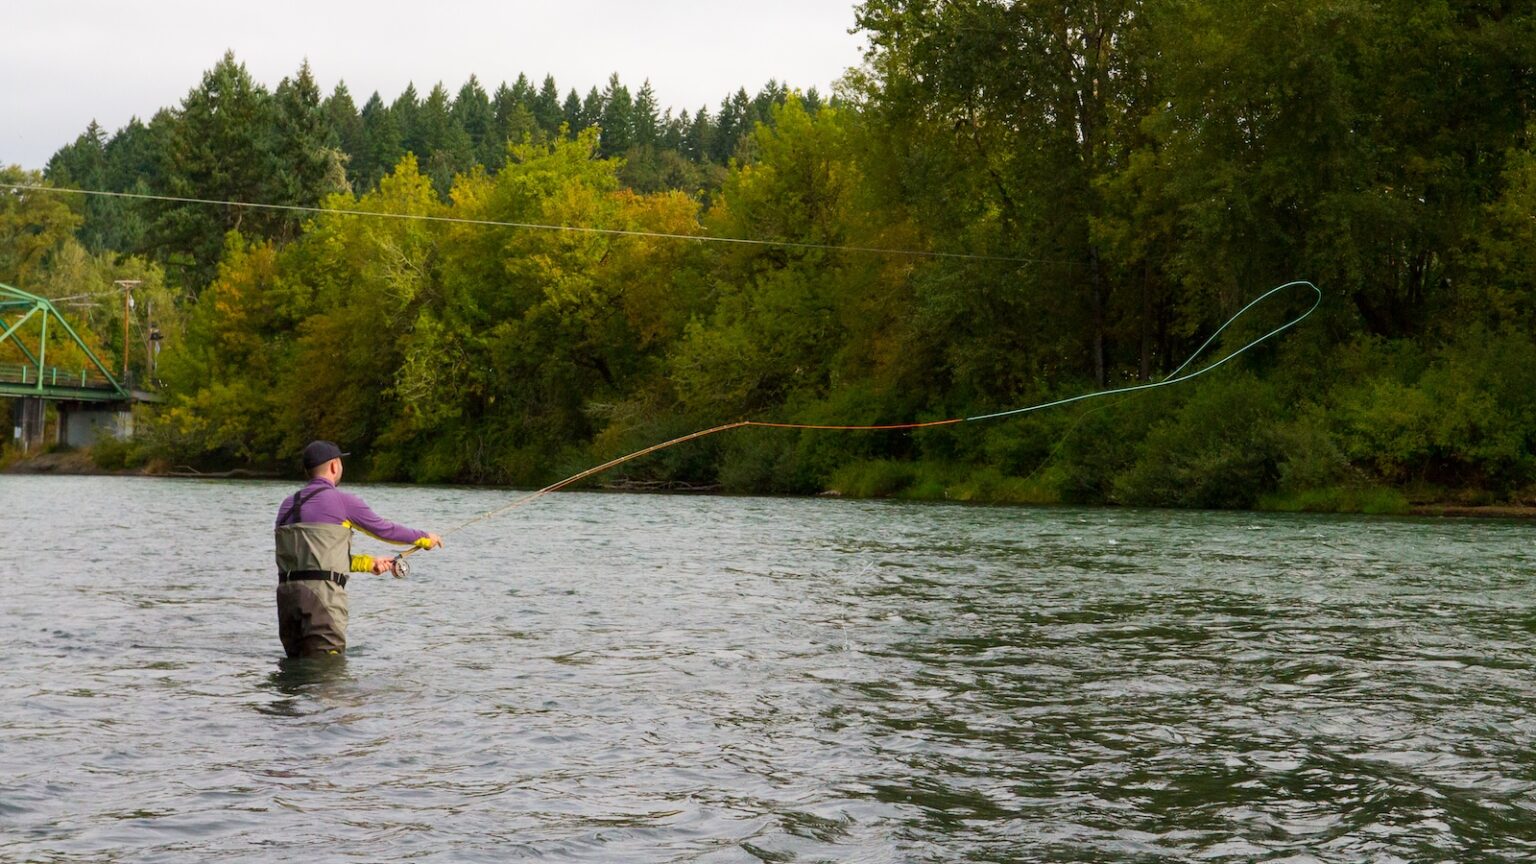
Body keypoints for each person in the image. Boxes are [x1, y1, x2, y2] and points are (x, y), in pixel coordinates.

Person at [273, 440, 442, 658]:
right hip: (323, 603)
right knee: (327, 673)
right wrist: (425, 539)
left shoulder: (286, 506)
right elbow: (385, 530)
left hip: (287, 601)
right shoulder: (342, 501)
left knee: (297, 675)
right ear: (334, 466)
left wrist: (367, 563)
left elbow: (313, 561)